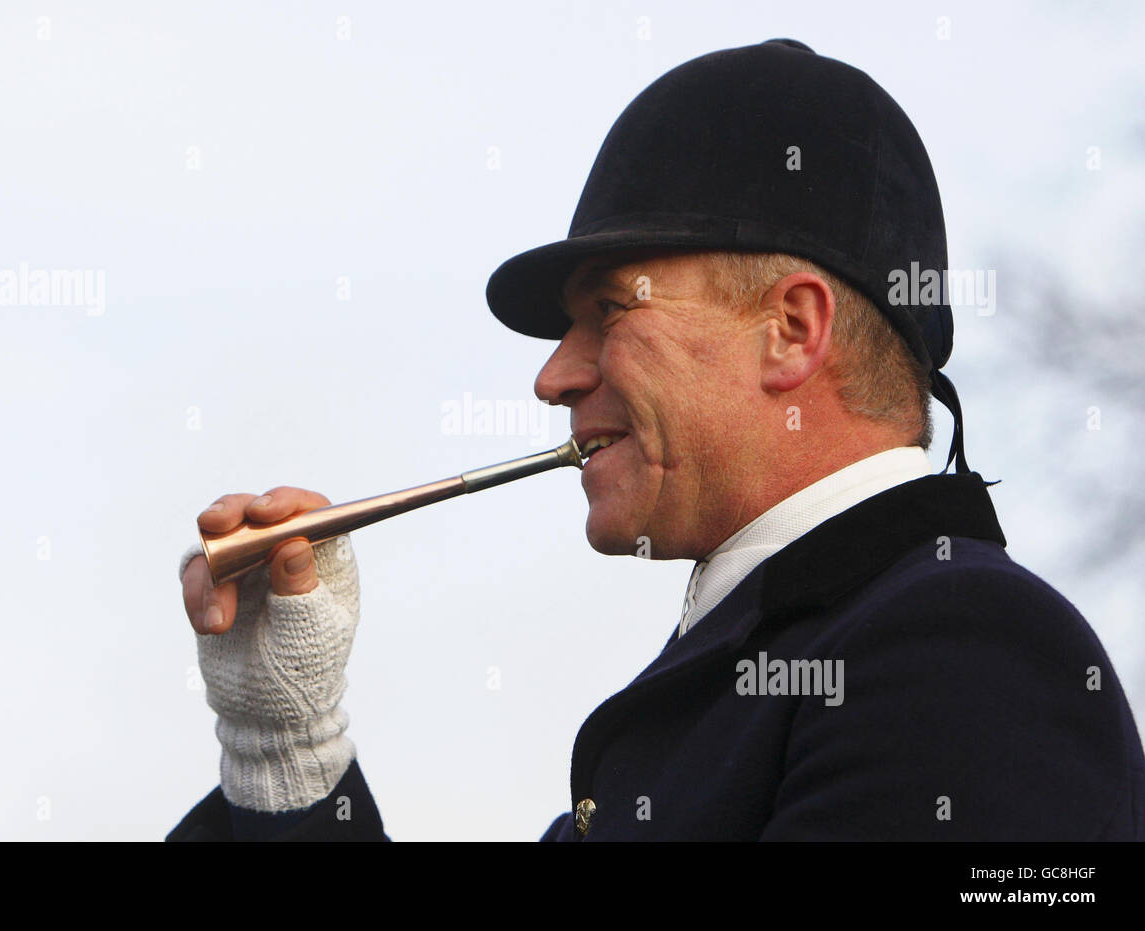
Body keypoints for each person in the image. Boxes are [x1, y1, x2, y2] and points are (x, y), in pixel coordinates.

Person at [167, 39, 1145, 841]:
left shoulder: (957, 650)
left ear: (791, 331)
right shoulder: (779, 659)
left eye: (606, 311)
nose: (553, 376)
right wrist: (284, 753)